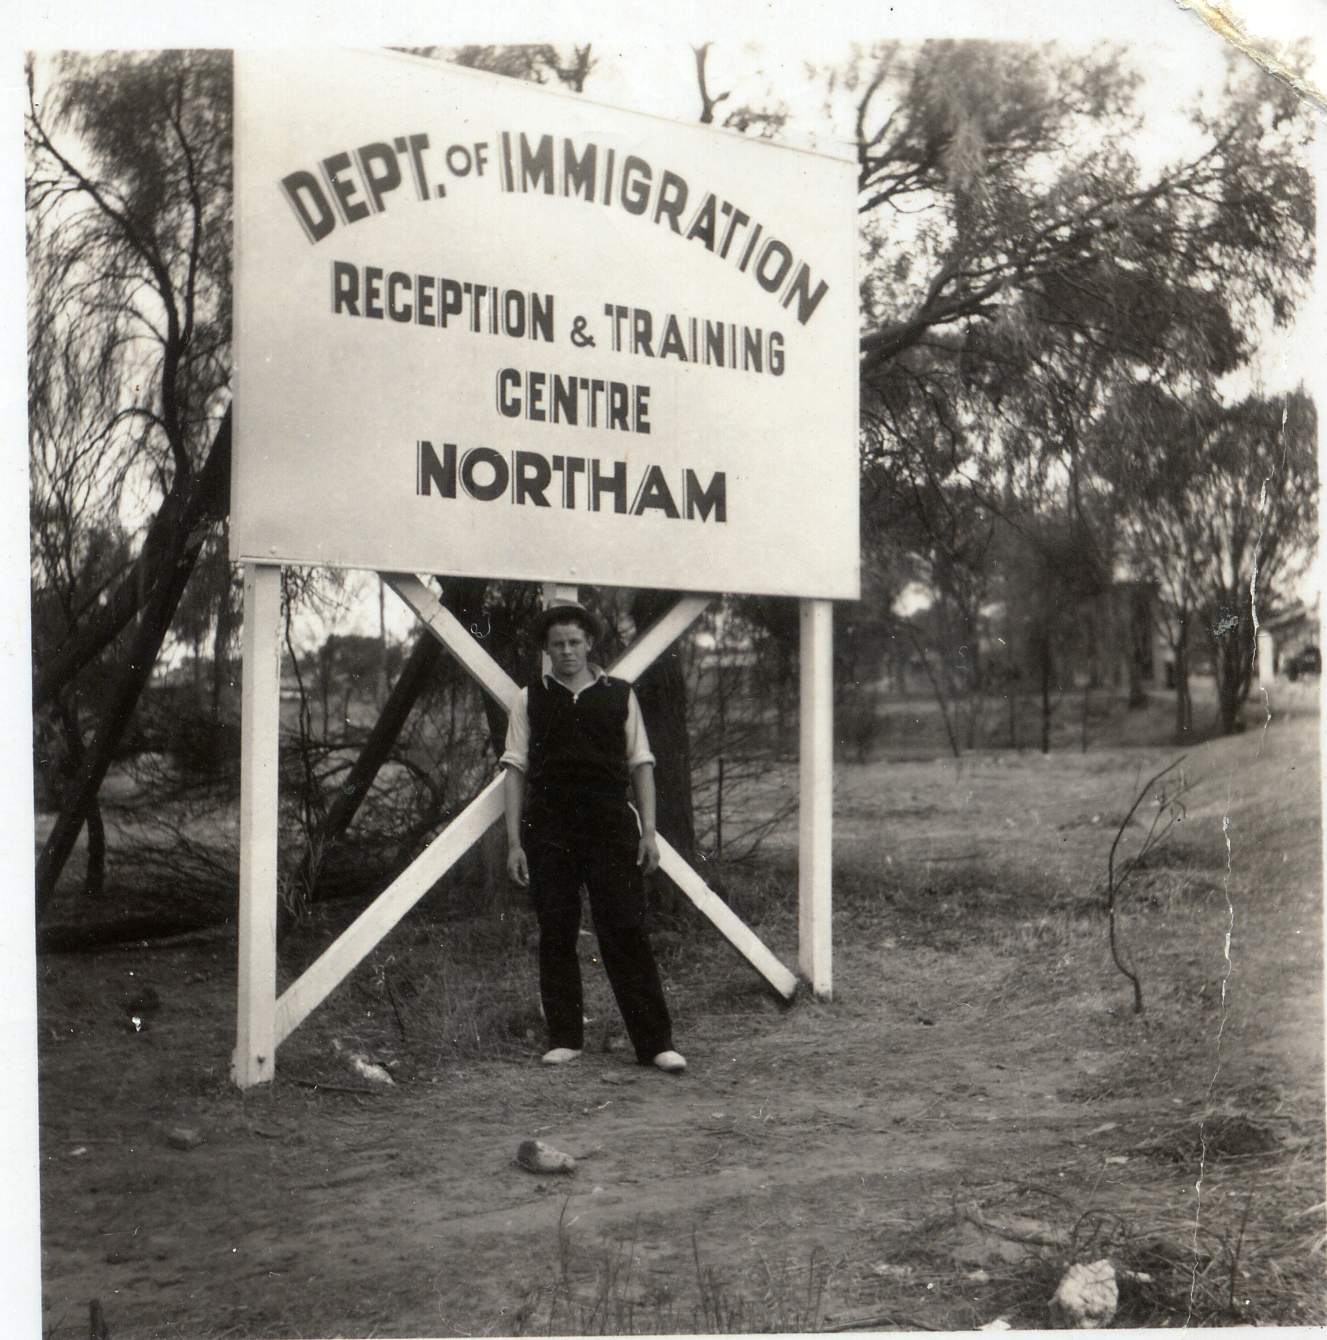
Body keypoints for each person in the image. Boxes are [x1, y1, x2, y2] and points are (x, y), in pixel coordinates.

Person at [501, 602, 686, 1074]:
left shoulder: (619, 695)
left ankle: (654, 1044)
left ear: (589, 645)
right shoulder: (530, 698)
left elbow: (641, 764)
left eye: (575, 642)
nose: (567, 651)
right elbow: (515, 770)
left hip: (610, 827)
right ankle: (565, 1038)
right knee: (557, 931)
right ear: (547, 649)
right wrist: (514, 843)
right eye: (558, 644)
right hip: (549, 830)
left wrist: (648, 831)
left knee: (625, 928)